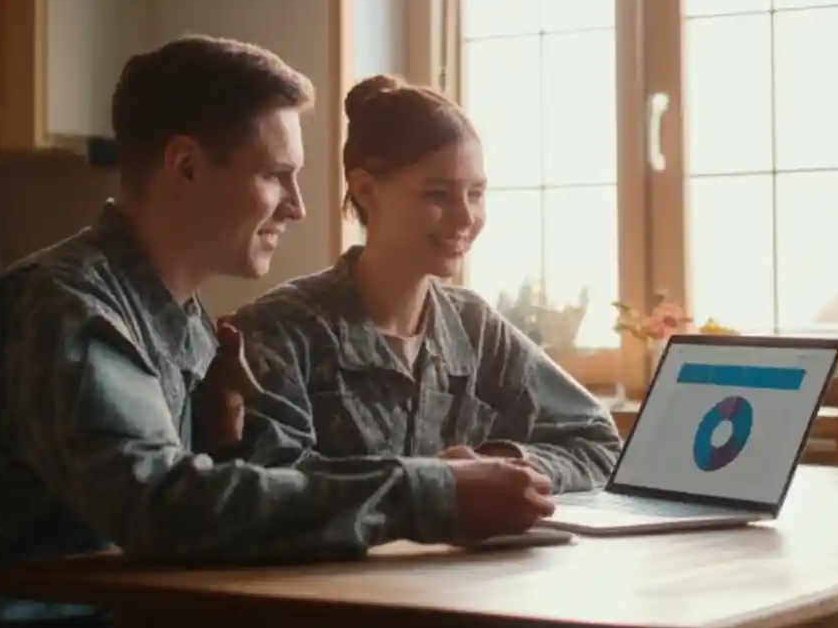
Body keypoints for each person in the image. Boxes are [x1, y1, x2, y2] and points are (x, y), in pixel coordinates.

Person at [0, 38, 551, 628]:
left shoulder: (187, 320)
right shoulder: (67, 306)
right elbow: (159, 507)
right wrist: (430, 492)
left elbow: (219, 502)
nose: (299, 208)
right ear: (187, 165)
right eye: (276, 176)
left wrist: (225, 431)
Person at [227, 74, 622, 493]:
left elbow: (598, 442)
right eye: (438, 195)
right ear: (365, 191)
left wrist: (504, 465)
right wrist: (439, 485)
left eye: (476, 194)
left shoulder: (475, 329)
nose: (466, 218)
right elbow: (270, 486)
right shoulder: (281, 331)